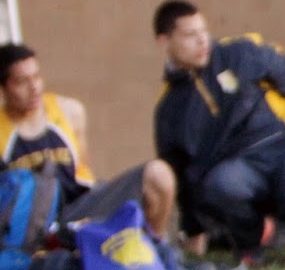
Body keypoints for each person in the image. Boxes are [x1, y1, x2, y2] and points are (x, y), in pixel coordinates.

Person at [151, 0, 285, 267]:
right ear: (164, 42)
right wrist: (193, 231)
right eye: (190, 35)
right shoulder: (168, 110)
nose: (202, 41)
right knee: (221, 185)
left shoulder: (240, 53)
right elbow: (180, 176)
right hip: (236, 165)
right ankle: (248, 246)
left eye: (203, 31)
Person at [0, 41, 177, 240]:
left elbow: (85, 173)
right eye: (22, 81)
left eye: (36, 77)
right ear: (3, 89)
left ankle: (157, 248)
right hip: (28, 229)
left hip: (79, 210)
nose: (34, 87)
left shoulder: (68, 111)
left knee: (158, 175)